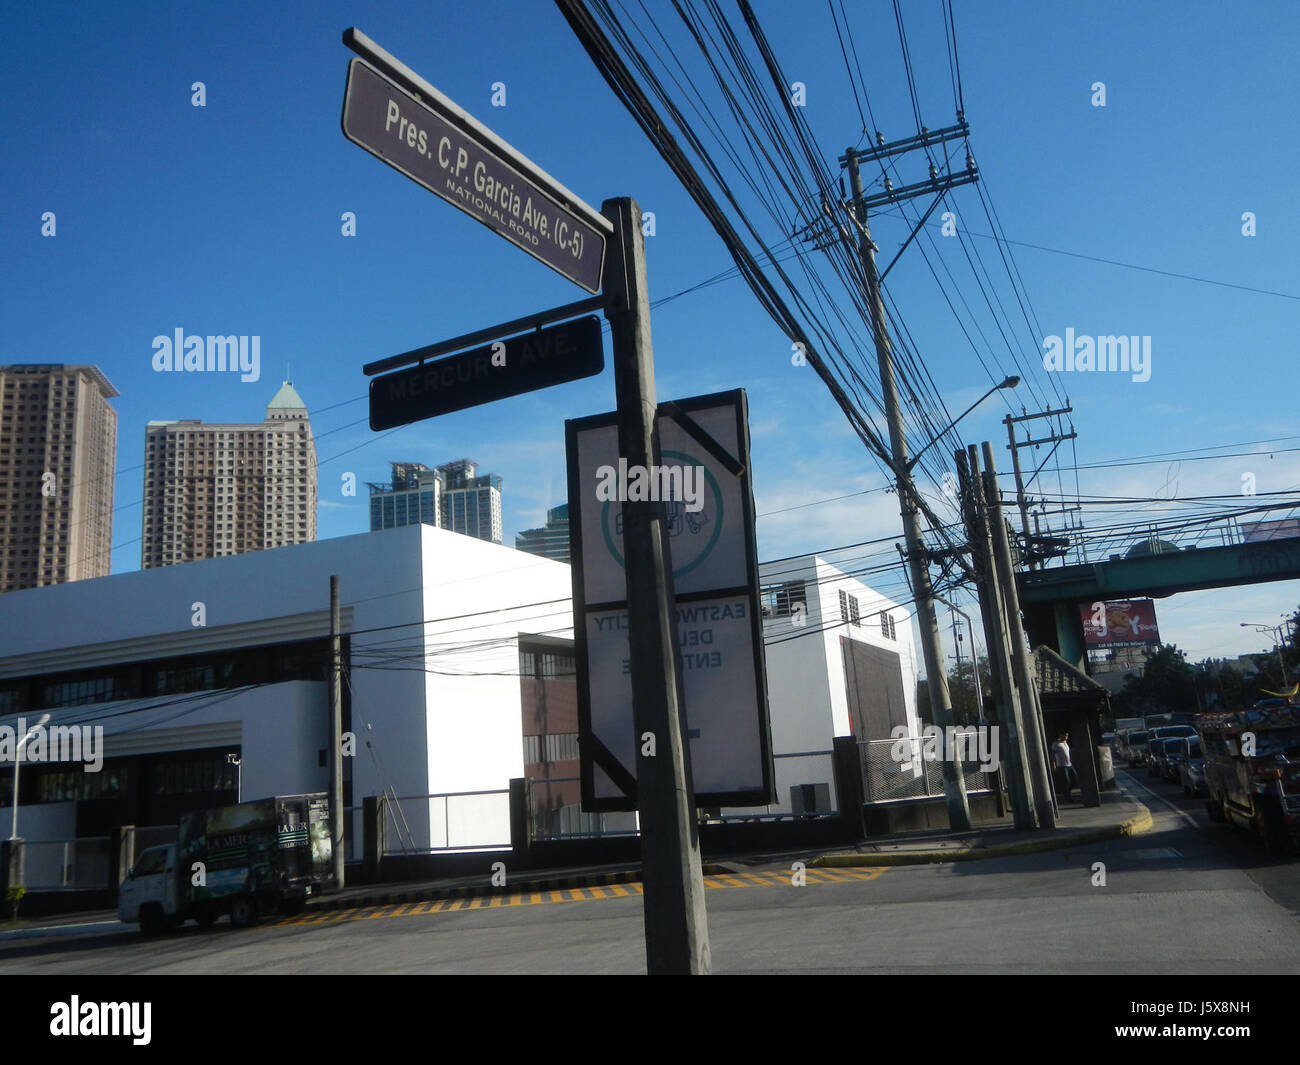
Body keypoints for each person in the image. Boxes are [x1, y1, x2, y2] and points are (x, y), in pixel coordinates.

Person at [1052, 731, 1078, 802]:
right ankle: (1067, 796)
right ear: (1060, 735)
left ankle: (1067, 792)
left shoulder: (1065, 743)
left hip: (1069, 765)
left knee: (1075, 779)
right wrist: (1053, 764)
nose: (1065, 737)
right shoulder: (1056, 744)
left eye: (1067, 735)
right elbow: (1053, 755)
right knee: (1066, 781)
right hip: (1062, 766)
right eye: (1064, 735)